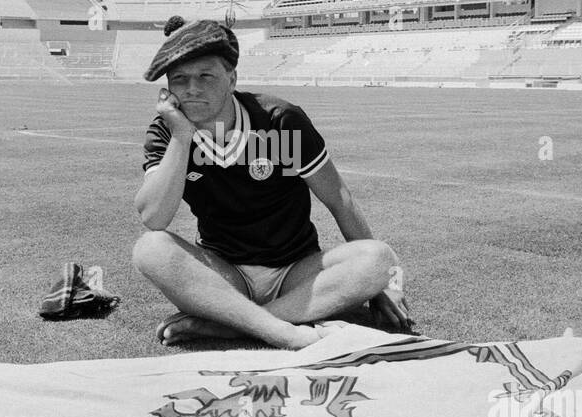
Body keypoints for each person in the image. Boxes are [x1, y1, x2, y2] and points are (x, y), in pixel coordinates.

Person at [132, 17, 415, 350]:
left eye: (205, 76)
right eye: (179, 79)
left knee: (378, 258)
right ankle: (280, 328)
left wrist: (377, 287)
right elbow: (154, 218)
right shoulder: (167, 131)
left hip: (296, 273)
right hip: (224, 276)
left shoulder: (280, 121)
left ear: (231, 79)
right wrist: (182, 136)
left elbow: (340, 200)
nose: (192, 89)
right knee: (150, 249)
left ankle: (236, 325)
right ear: (168, 89)